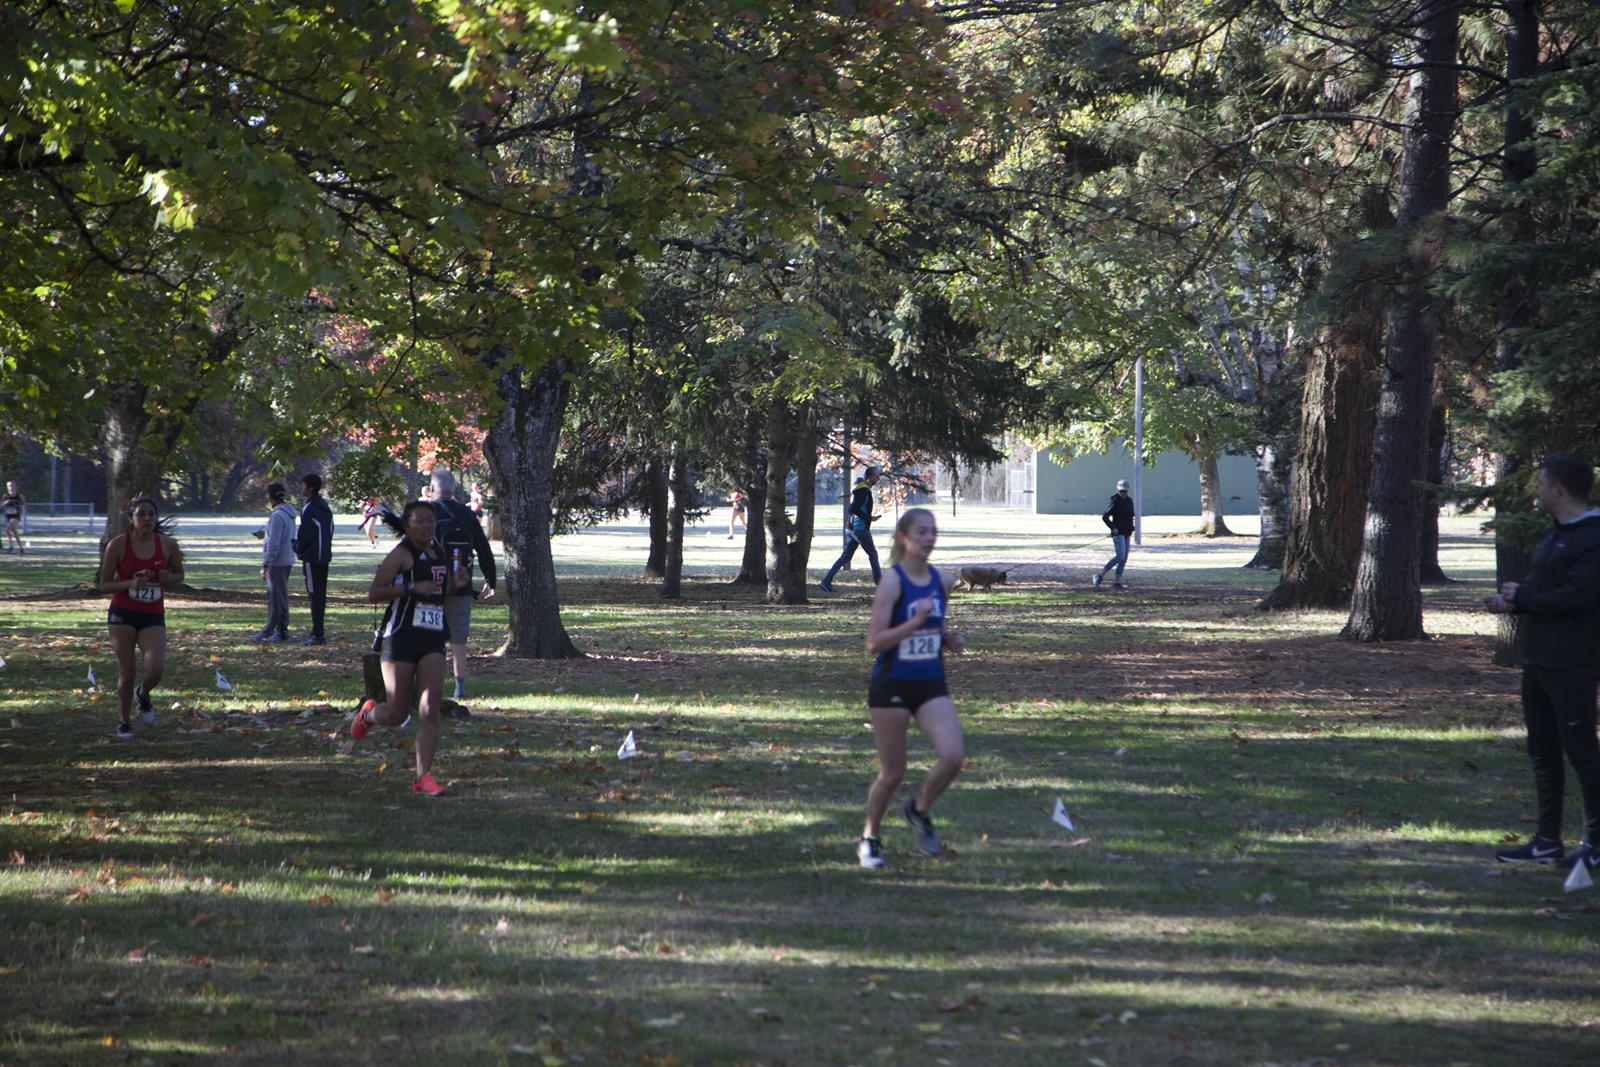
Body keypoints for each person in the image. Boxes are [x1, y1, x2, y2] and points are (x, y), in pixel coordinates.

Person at [1485, 452, 1600, 875]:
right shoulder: (1554, 534)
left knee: (1582, 753)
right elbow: (1544, 589)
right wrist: (1512, 603)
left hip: (1573, 661)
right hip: (1538, 659)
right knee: (1543, 752)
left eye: (1540, 484)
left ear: (1558, 489)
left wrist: (1526, 598)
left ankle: (1595, 844)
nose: (1535, 491)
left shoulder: (1593, 536)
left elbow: (1580, 596)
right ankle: (1547, 841)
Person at [857, 507, 967, 868]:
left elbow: (935, 627)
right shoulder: (893, 582)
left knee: (953, 756)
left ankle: (918, 811)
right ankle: (870, 838)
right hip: (892, 684)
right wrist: (914, 623)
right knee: (893, 773)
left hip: (930, 683)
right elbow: (874, 643)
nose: (929, 538)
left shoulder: (943, 581)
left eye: (933, 532)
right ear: (904, 538)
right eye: (921, 532)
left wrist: (948, 638)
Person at [349, 500, 468, 796]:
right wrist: (412, 588)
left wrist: (455, 583)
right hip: (400, 638)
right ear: (407, 525)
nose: (427, 526)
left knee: (430, 709)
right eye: (420, 521)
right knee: (397, 712)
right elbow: (374, 594)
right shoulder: (401, 555)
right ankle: (369, 714)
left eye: (431, 521)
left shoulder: (438, 551)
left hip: (432, 638)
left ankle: (422, 777)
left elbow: (440, 593)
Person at [98, 494, 184, 740]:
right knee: (127, 672)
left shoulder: (167, 545)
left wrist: (169, 578)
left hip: (152, 614)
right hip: (122, 613)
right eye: (141, 514)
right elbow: (103, 585)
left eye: (151, 514)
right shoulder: (117, 544)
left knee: (155, 668)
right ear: (131, 519)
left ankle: (143, 693)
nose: (147, 518)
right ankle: (123, 721)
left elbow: (180, 574)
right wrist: (129, 583)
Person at [428, 470, 496, 702]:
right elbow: (483, 548)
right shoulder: (466, 514)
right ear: (454, 490)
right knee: (459, 640)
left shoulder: (427, 513)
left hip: (431, 585)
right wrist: (490, 579)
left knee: (430, 638)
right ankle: (459, 687)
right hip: (462, 584)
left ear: (431, 489)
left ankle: (430, 686)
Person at [819, 465, 882, 592]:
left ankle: (826, 582)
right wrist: (869, 518)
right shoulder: (863, 491)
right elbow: (852, 509)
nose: (878, 478)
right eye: (876, 476)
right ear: (870, 477)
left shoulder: (862, 489)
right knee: (873, 554)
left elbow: (856, 509)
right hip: (859, 529)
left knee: (846, 557)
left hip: (851, 528)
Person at [254, 482, 297, 642]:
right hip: (286, 559)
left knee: (275, 597)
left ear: (270, 497)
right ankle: (280, 629)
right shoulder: (287, 513)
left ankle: (274, 630)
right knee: (280, 595)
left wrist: (266, 563)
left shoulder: (277, 515)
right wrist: (265, 531)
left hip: (277, 562)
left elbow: (274, 543)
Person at [295, 473, 334, 645]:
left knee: (314, 595)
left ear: (310, 488)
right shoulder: (324, 506)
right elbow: (330, 529)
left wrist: (296, 547)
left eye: (303, 485)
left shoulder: (309, 508)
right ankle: (318, 631)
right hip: (324, 556)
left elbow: (305, 533)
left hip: (312, 558)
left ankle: (317, 634)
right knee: (320, 595)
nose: (301, 489)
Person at [1094, 478, 1135, 590]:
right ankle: (1100, 575)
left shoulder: (1129, 501)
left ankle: (1117, 582)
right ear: (1118, 490)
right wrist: (1113, 528)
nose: (1123, 493)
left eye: (1125, 491)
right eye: (1121, 491)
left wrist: (1132, 527)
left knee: (1124, 557)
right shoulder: (1114, 500)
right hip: (1118, 533)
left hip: (1127, 532)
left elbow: (1130, 516)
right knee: (1120, 556)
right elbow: (1105, 517)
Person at [2, 481, 25, 554]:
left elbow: (24, 504)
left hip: (16, 515)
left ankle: (11, 546)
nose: (10, 487)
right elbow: (1, 505)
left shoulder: (19, 496)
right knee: (14, 532)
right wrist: (5, 503)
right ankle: (21, 548)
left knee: (7, 529)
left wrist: (18, 506)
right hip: (8, 516)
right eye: (9, 486)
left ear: (15, 486)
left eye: (12, 485)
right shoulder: (5, 496)